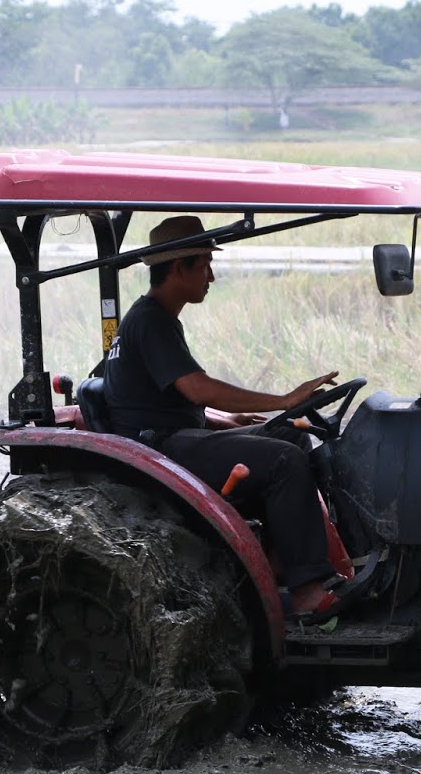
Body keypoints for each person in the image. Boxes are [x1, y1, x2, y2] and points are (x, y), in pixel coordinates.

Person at [99, 215, 347, 622]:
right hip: (162, 450)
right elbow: (196, 388)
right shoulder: (150, 320)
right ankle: (305, 591)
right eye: (205, 265)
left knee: (293, 437)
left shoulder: (154, 319)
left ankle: (283, 561)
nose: (211, 277)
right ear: (179, 268)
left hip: (172, 435)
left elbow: (162, 397)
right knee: (286, 460)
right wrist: (283, 399)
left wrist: (222, 421)